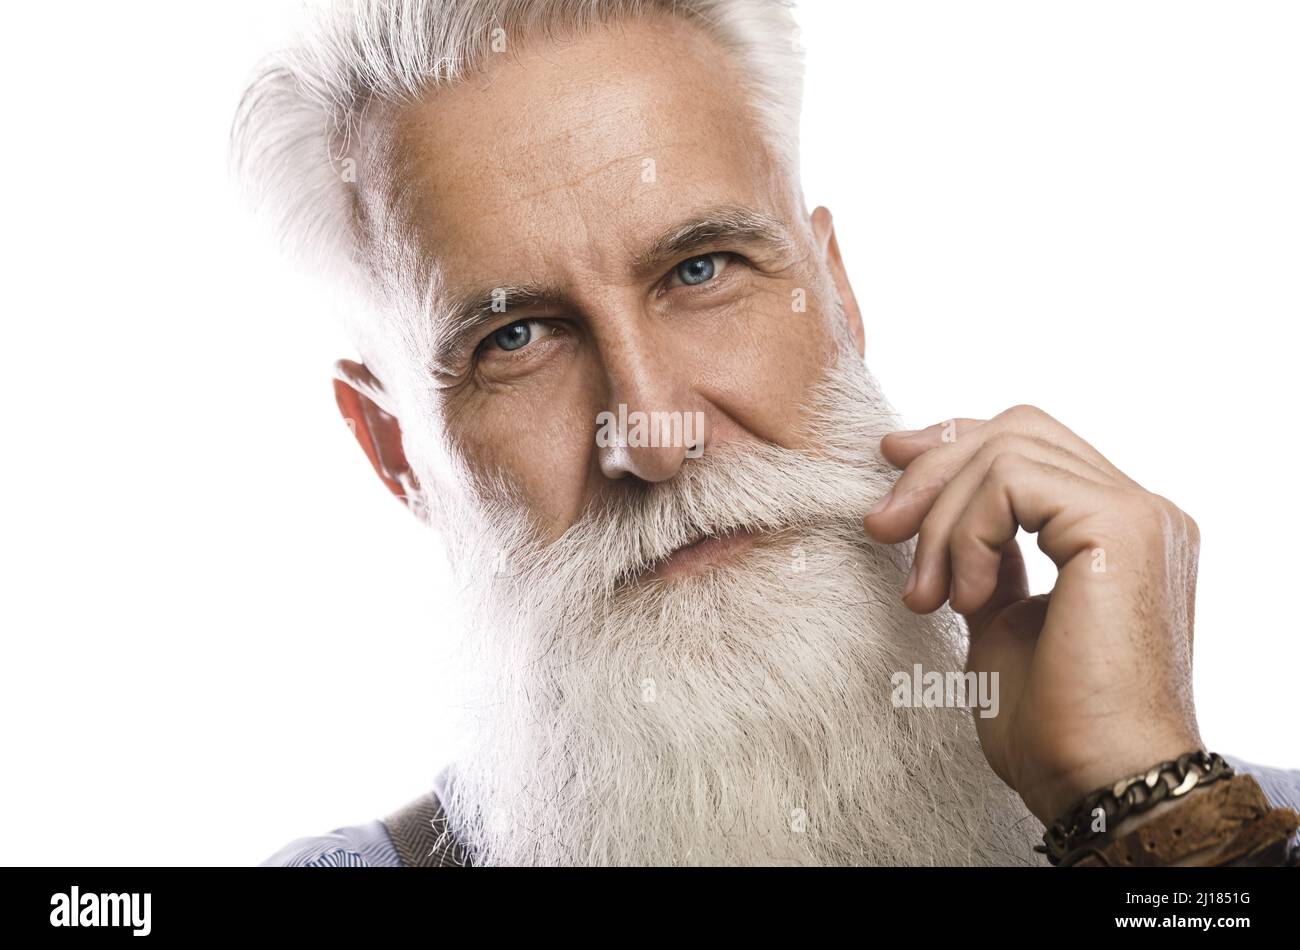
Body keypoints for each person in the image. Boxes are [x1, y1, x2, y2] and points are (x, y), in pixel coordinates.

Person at [233, 0, 1300, 866]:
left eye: (702, 270)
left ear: (833, 291)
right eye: (515, 337)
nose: (654, 437)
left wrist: (1145, 808)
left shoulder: (1243, 836)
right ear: (394, 450)